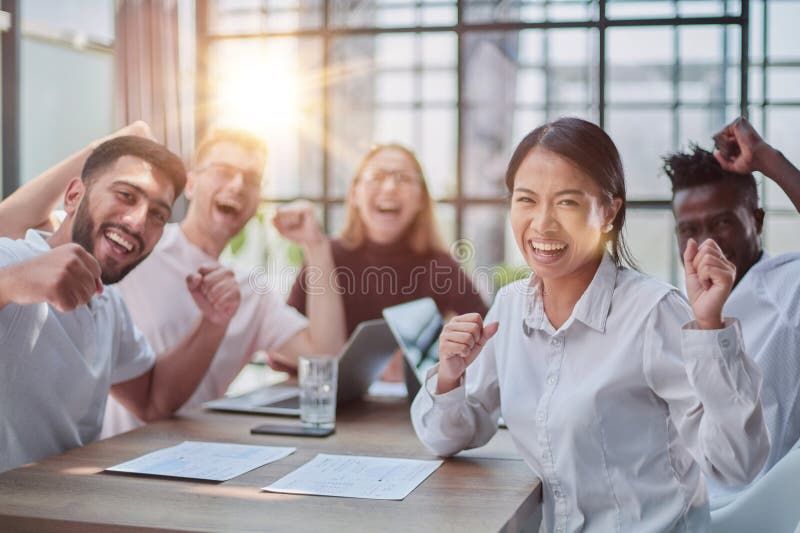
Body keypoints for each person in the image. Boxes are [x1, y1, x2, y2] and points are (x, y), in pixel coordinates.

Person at [411, 117, 769, 532]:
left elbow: (736, 465)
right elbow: (446, 437)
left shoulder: (653, 313)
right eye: (526, 199)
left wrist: (710, 328)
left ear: (609, 212)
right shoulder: (510, 309)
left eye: (567, 202)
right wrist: (450, 377)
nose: (542, 223)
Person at [0, 136, 240, 472]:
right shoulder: (12, 258)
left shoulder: (108, 301)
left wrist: (214, 322)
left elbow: (153, 400)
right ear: (73, 197)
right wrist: (10, 283)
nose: (139, 222)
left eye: (158, 214)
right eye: (126, 196)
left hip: (67, 505)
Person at [102, 128, 346, 436]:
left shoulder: (248, 291)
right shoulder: (137, 251)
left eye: (252, 179)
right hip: (115, 455)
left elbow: (325, 358)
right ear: (190, 184)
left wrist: (317, 247)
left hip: (202, 459)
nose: (238, 185)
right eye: (224, 171)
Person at [663, 116, 800, 507]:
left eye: (722, 223)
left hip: (744, 510)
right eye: (688, 230)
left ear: (756, 221)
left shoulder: (788, 287)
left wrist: (769, 161)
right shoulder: (676, 306)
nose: (705, 244)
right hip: (681, 502)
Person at [275, 144, 488, 377]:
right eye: (376, 177)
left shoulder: (441, 267)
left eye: (404, 178)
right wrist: (361, 365)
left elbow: (490, 339)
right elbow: (281, 348)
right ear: (355, 194)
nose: (389, 188)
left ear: (420, 200)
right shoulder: (325, 255)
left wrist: (426, 358)